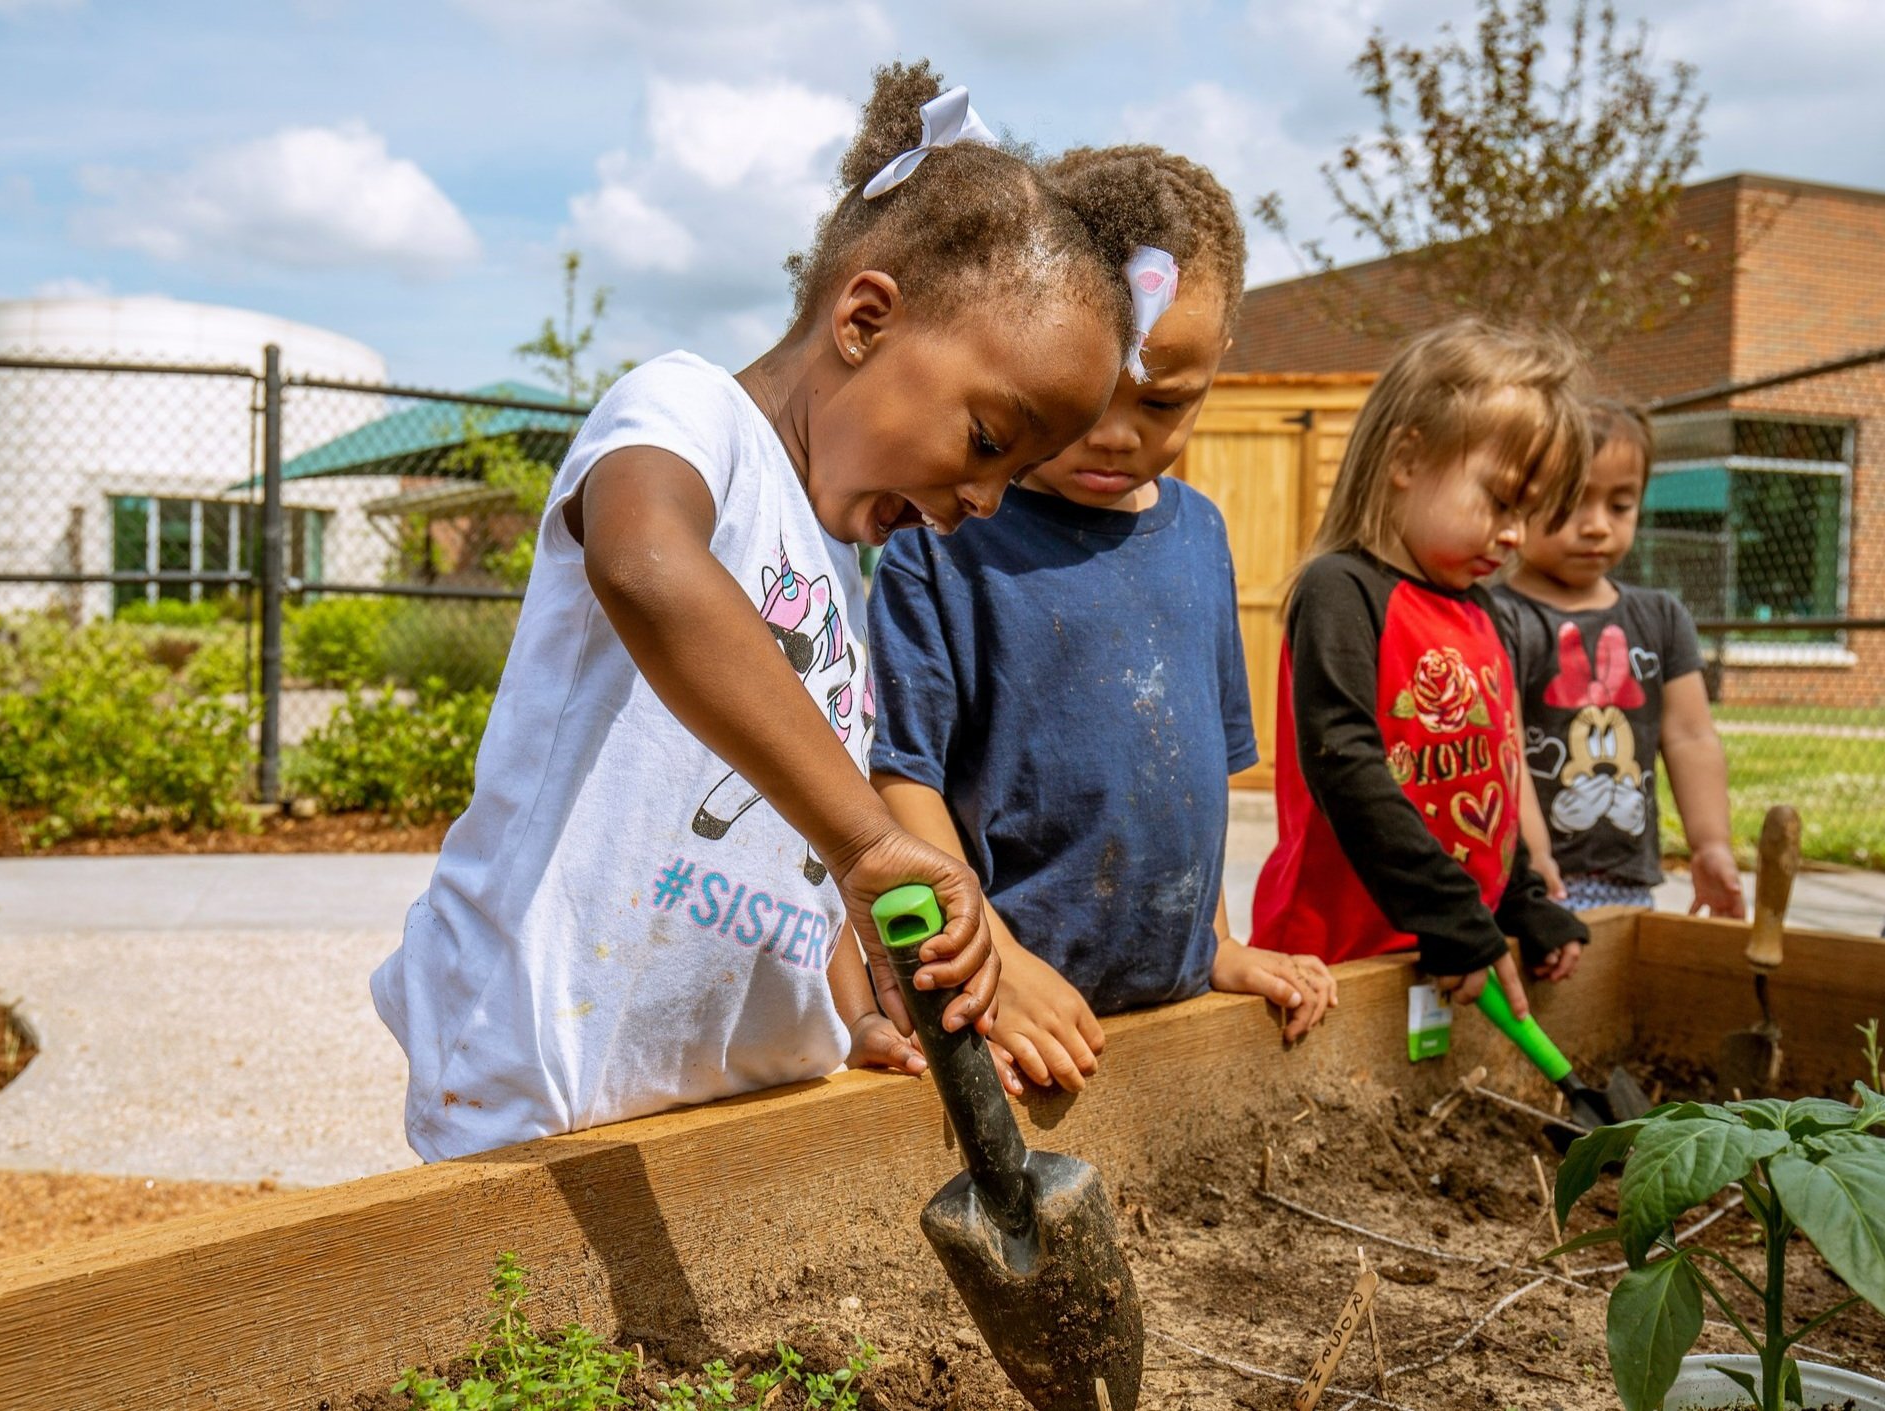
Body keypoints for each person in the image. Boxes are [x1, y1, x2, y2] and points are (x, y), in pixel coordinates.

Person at [370, 63, 1143, 1161]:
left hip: (711, 1085)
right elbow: (643, 563)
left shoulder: (839, 563)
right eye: (985, 440)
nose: (981, 501)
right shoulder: (692, 414)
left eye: (1016, 476)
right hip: (547, 1059)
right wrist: (873, 838)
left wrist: (841, 992)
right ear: (866, 320)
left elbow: (785, 829)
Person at [864, 146, 1337, 1096]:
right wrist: (992, 965)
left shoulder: (1201, 535)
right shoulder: (946, 536)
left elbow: (1192, 786)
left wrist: (1219, 946)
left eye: (1162, 400)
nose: (1117, 433)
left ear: (1218, 364)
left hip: (1165, 1015)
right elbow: (898, 784)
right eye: (1084, 393)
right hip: (1017, 1021)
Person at [1250, 320, 1593, 1019]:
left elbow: (1485, 792)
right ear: (1407, 457)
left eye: (1527, 514)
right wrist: (1454, 914)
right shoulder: (1340, 591)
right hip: (1332, 964)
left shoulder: (1485, 613)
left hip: (1442, 948)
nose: (1515, 535)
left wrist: (1521, 900)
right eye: (1500, 500)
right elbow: (1345, 764)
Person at [1492, 401, 1745, 918]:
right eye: (1572, 503)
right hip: (1528, 886)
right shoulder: (1496, 617)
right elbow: (1504, 749)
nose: (1597, 526)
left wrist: (1711, 844)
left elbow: (1691, 736)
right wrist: (1532, 855)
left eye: (1621, 505)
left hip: (1626, 887)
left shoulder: (1661, 617)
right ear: (1517, 501)